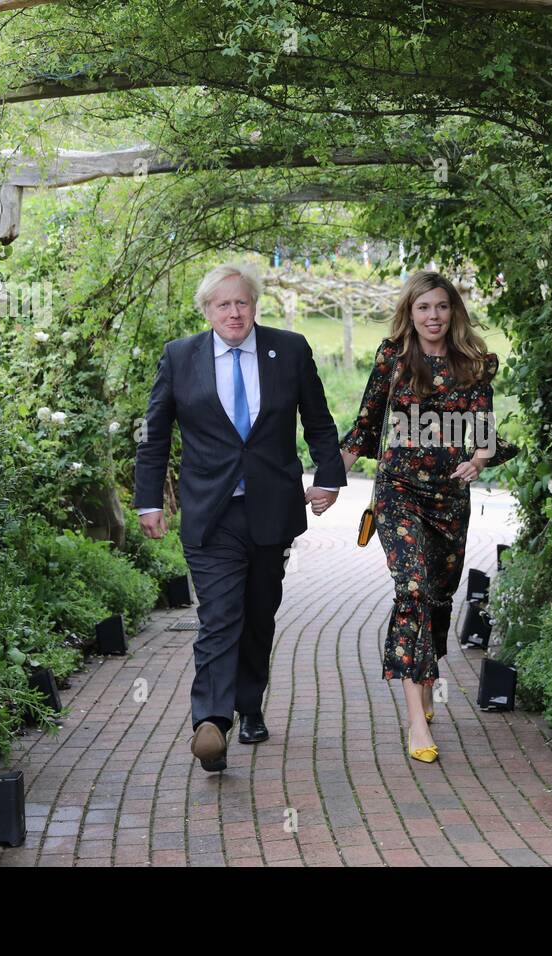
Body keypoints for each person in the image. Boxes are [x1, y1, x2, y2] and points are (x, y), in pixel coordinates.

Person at [133, 263, 345, 772]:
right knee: (219, 616)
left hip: (271, 510)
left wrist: (330, 477)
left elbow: (318, 420)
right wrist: (148, 500)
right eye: (223, 304)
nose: (234, 312)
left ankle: (249, 704)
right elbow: (154, 433)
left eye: (242, 302)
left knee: (258, 614)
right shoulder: (180, 357)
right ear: (207, 310)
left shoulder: (288, 350)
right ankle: (211, 722)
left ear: (255, 306)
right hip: (211, 514)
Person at [339, 271, 517, 764]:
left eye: (441, 307)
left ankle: (427, 669)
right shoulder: (392, 357)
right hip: (398, 491)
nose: (433, 316)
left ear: (452, 311)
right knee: (412, 587)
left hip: (449, 497)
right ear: (410, 313)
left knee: (439, 594)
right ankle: (416, 718)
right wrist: (330, 479)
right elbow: (366, 425)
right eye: (423, 308)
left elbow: (483, 430)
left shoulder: (475, 363)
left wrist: (479, 460)